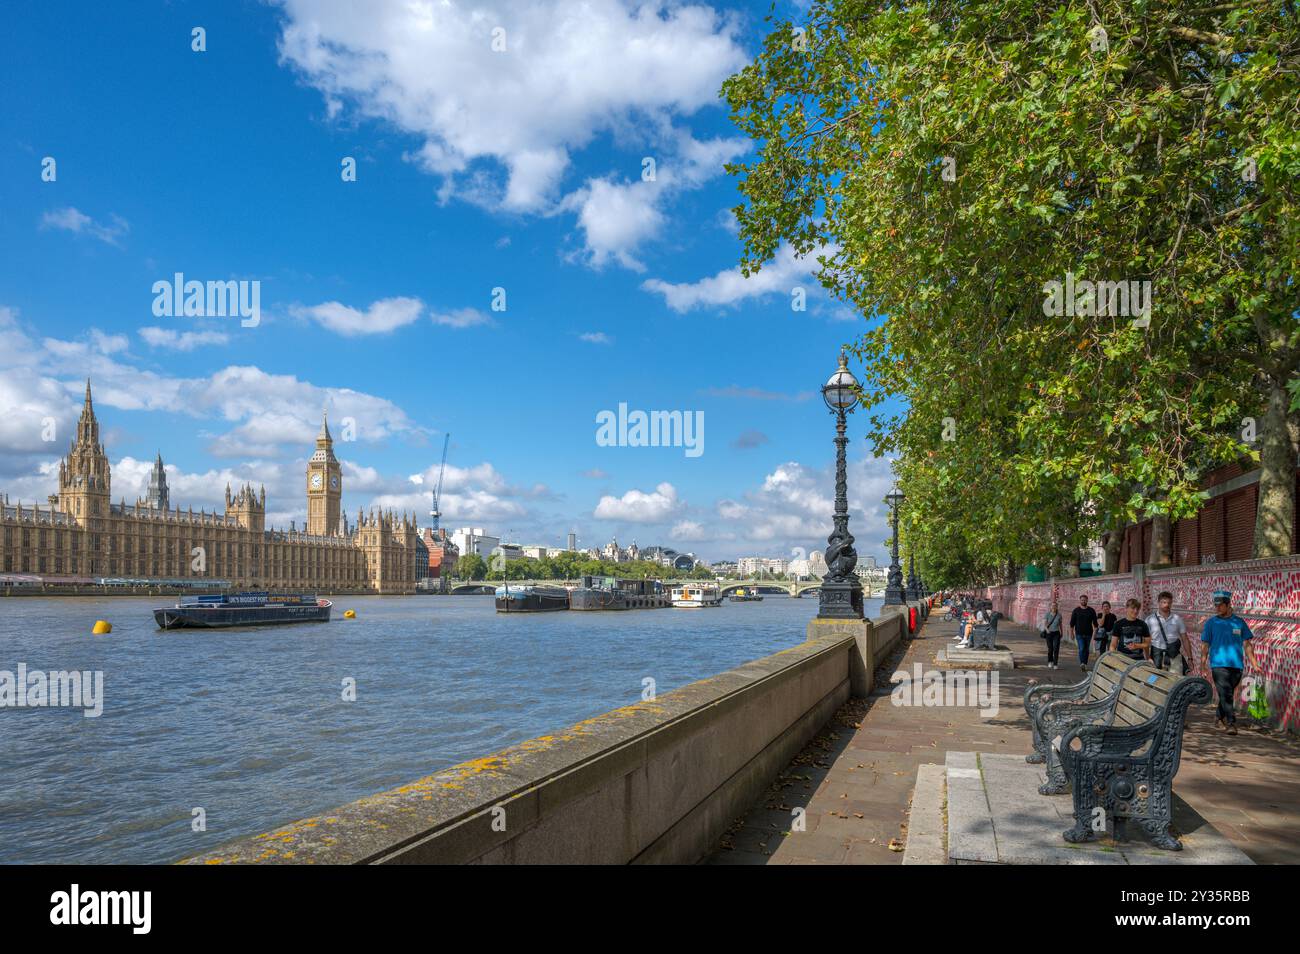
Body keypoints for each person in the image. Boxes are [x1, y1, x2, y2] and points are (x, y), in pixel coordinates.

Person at [1199, 590, 1257, 735]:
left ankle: (1219, 716)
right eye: (1215, 605)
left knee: (1227, 694)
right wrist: (1203, 663)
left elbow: (1248, 644)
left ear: (1228, 605)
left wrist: (1254, 663)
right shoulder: (1211, 623)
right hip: (1218, 664)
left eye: (1220, 605)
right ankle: (1231, 723)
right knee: (1226, 693)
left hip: (1237, 665)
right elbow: (1205, 645)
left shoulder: (1239, 622)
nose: (1217, 608)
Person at [1146, 590, 1188, 674]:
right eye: (1164, 602)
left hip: (1174, 655)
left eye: (1169, 602)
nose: (1166, 605)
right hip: (1156, 655)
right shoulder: (1149, 620)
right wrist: (1147, 657)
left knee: (1176, 682)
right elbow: (1146, 641)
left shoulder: (1177, 619)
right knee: (1155, 681)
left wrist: (1190, 658)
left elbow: (1185, 639)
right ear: (1158, 603)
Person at [1068, 594, 1099, 670]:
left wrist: (1095, 633)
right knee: (1081, 648)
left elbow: (1095, 624)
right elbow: (1072, 624)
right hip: (1079, 633)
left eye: (1085, 600)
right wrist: (1071, 633)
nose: (1083, 601)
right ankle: (1082, 663)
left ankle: (1085, 664)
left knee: (1087, 649)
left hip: (1089, 633)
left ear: (1087, 601)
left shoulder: (1091, 610)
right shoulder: (1076, 611)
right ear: (1080, 601)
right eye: (1082, 600)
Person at [1043, 601, 1063, 669]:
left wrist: (1061, 632)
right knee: (1050, 648)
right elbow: (1045, 624)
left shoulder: (1059, 615)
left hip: (1056, 633)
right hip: (1049, 633)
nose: (1053, 607)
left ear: (1057, 607)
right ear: (1050, 607)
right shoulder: (1047, 614)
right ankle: (1050, 662)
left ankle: (1055, 664)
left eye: (1055, 605)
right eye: (1052, 605)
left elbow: (1060, 624)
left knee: (1056, 648)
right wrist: (1047, 630)